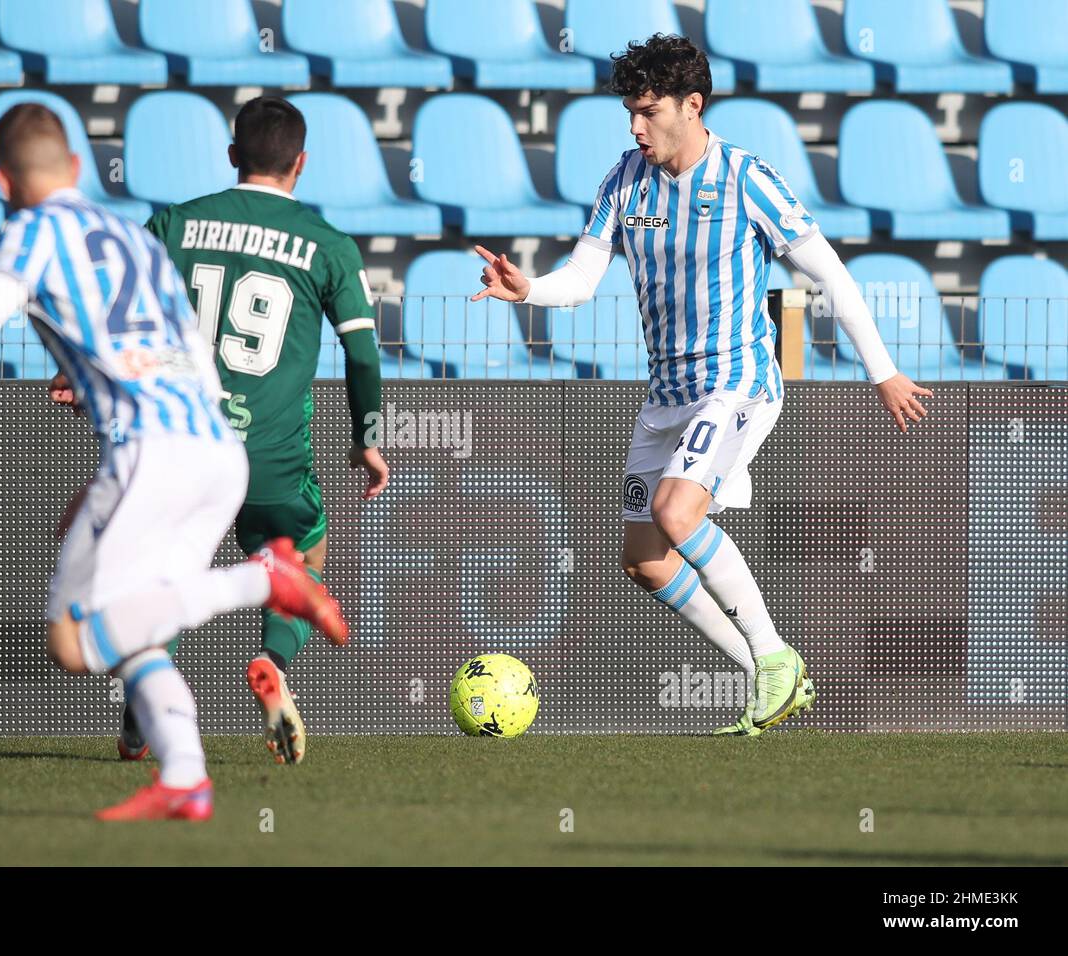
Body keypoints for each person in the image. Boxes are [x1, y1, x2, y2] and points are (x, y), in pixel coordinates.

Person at [0, 102, 347, 819]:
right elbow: (189, 350)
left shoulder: (36, 231)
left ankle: (264, 578)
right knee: (135, 625)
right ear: (76, 168)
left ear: (0, 178)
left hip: (154, 454)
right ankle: (185, 776)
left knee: (72, 643)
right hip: (210, 450)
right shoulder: (126, 236)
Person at [471, 35, 932, 736]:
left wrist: (882, 370)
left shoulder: (747, 177)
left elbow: (828, 273)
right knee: (646, 560)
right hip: (666, 397)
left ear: (693, 105)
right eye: (629, 111)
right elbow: (583, 280)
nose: (635, 125)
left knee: (677, 514)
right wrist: (528, 288)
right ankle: (774, 676)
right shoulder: (625, 181)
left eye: (647, 111)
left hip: (739, 381)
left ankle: (774, 659)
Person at [85, 95, 386, 766]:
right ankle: (274, 659)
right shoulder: (327, 245)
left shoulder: (175, 224)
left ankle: (146, 701)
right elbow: (363, 354)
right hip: (272, 457)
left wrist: (80, 377)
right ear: (300, 164)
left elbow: (112, 312)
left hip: (180, 444)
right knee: (301, 558)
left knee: (166, 576)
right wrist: (366, 435)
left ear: (231, 157)